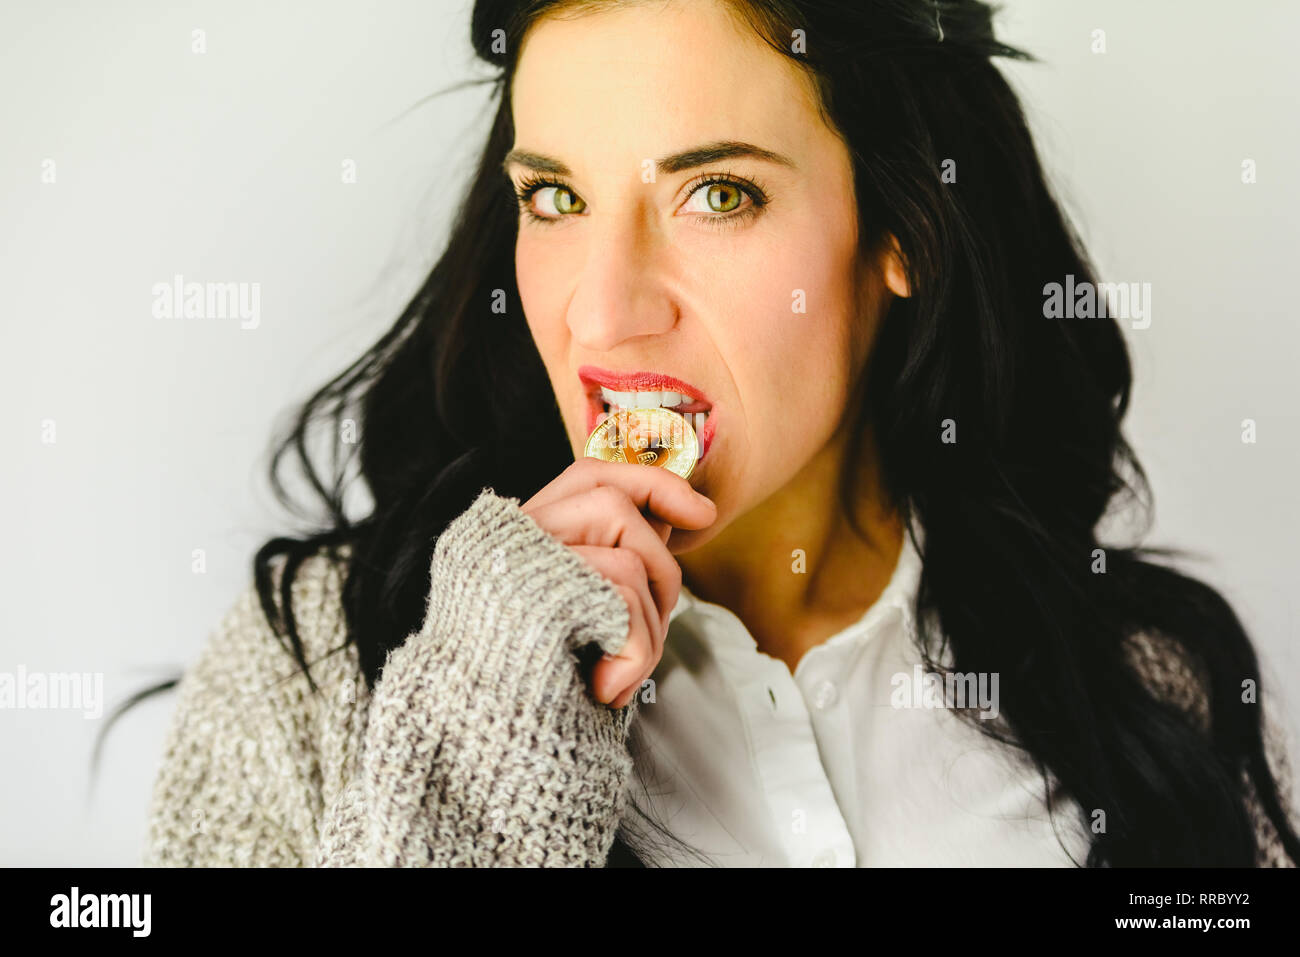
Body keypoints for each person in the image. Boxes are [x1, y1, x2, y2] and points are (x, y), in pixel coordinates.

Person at [126, 0, 1298, 866]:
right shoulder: (315, 668)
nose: (605, 310)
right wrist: (491, 727)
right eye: (555, 198)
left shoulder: (1150, 684)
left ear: (905, 233)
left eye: (716, 194)